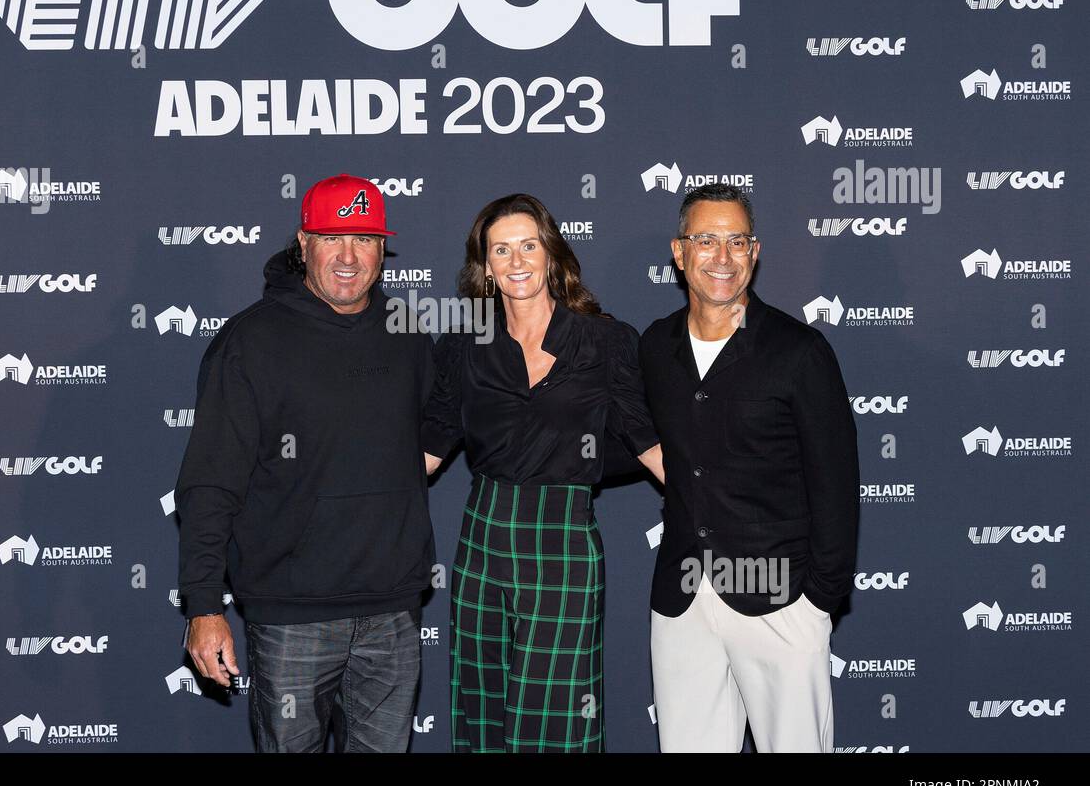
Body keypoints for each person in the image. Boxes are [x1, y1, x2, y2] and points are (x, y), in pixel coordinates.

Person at [175, 173, 436, 753]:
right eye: (331, 237)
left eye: (364, 238)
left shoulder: (409, 332)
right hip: (291, 614)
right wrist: (203, 605)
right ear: (303, 242)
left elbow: (443, 422)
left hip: (392, 611)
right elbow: (211, 480)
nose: (348, 256)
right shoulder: (251, 341)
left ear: (381, 248)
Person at [422, 193, 664, 752]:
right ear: (484, 266)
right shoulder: (465, 345)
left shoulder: (604, 341)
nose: (517, 260)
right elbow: (429, 452)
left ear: (552, 254)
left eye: (528, 245)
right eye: (500, 250)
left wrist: (728, 510)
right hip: (482, 539)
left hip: (562, 543)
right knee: (480, 710)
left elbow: (648, 443)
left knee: (556, 718)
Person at [638, 182, 859, 753]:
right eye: (706, 240)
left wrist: (817, 603)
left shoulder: (799, 351)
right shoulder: (656, 347)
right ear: (679, 251)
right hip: (684, 599)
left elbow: (836, 487)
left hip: (781, 601)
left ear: (754, 253)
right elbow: (631, 436)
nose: (722, 257)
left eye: (737, 241)